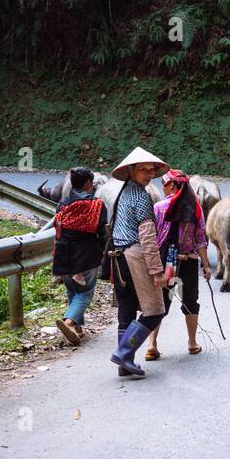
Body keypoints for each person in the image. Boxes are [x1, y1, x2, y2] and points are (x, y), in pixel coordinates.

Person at [106, 147, 170, 379]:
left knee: (127, 310)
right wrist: (156, 271)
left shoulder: (123, 193)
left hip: (118, 257)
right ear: (131, 170)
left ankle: (125, 364)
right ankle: (124, 353)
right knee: (154, 311)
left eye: (151, 170)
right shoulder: (142, 196)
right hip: (135, 256)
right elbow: (148, 237)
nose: (148, 173)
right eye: (142, 169)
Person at [145, 170, 212, 360]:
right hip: (188, 262)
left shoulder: (159, 207)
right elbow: (200, 240)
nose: (163, 187)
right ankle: (192, 343)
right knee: (191, 302)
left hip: (167, 263)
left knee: (160, 303)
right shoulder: (195, 208)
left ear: (173, 185)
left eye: (165, 184)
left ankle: (151, 345)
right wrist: (206, 266)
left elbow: (153, 238)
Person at [52, 166, 108, 345]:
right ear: (88, 183)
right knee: (85, 293)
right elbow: (102, 231)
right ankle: (69, 322)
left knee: (72, 290)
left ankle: (77, 328)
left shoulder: (62, 204)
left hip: (63, 253)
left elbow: (58, 226)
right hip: (86, 255)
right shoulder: (96, 205)